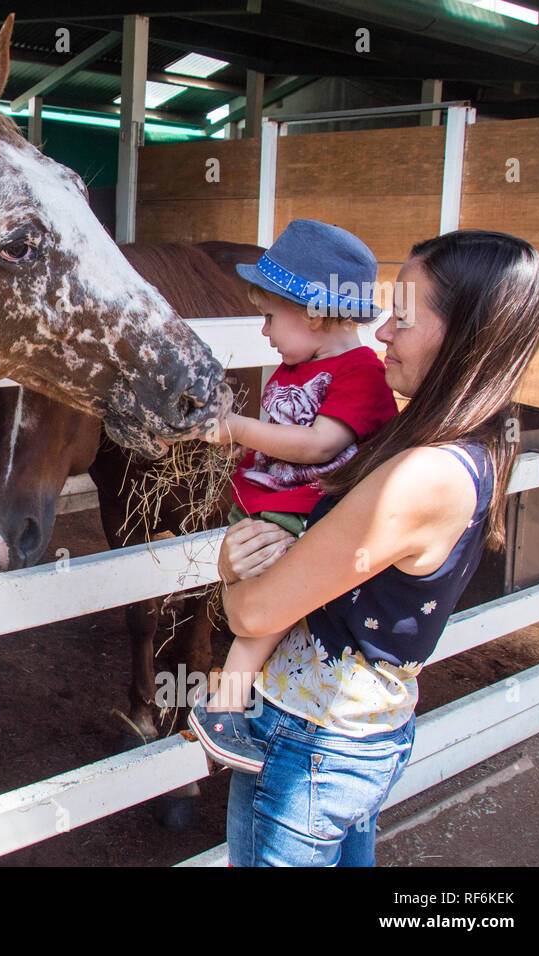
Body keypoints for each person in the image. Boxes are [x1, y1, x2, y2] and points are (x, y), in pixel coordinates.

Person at [211, 229, 539, 866]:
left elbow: (254, 615)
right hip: (354, 735)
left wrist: (234, 571)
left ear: (463, 335)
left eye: (403, 316)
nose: (382, 332)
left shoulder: (419, 475)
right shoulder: (453, 447)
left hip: (309, 743)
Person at [188, 220, 400, 773]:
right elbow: (285, 443)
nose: (262, 331)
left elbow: (318, 444)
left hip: (305, 515)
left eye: (268, 316)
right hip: (270, 506)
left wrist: (234, 428)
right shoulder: (298, 365)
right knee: (258, 606)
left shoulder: (359, 372)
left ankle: (225, 703)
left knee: (270, 612)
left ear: (311, 313)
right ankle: (230, 703)